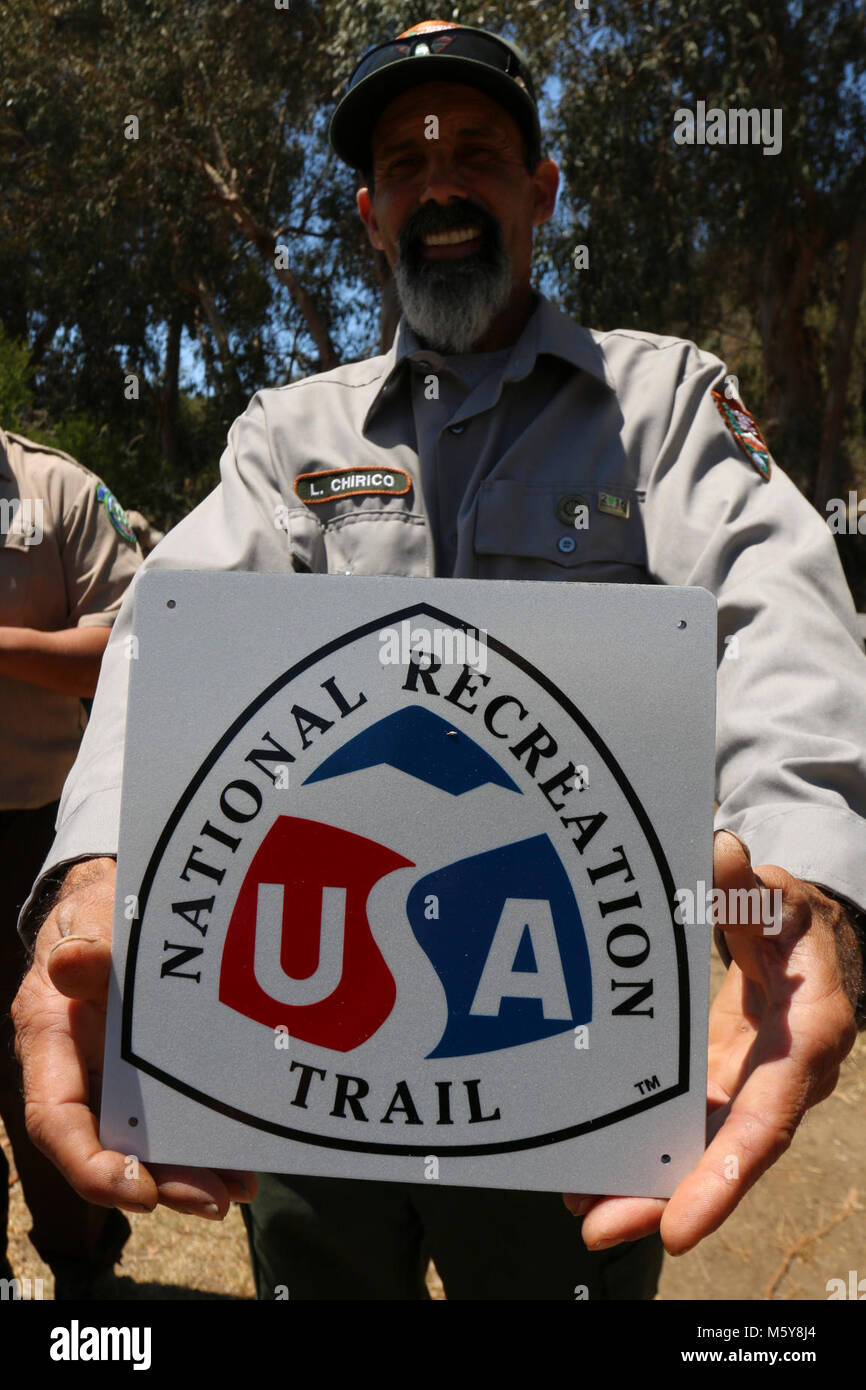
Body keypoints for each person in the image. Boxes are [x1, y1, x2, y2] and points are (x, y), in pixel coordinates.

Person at [12, 20, 866, 1301]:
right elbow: (168, 638)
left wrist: (808, 866)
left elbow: (780, 611)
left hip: (576, 1050)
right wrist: (96, 868)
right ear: (368, 213)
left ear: (540, 191)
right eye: (407, 167)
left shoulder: (668, 405)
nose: (441, 186)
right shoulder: (280, 437)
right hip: (310, 1028)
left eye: (475, 152)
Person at [0, 426, 141, 1297]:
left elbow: (133, 645)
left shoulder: (58, 491)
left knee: (45, 1076)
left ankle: (82, 1269)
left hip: (37, 843)